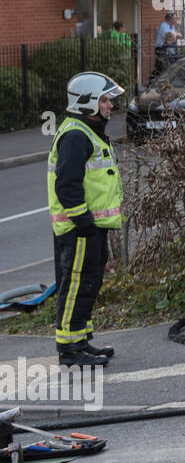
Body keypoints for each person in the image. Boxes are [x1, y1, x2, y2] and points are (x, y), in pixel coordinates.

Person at [47, 72, 125, 367]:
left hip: (91, 228)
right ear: (87, 103)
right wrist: (84, 223)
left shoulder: (88, 132)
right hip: (79, 229)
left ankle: (81, 340)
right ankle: (69, 350)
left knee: (89, 284)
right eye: (104, 100)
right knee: (77, 285)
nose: (109, 106)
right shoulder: (76, 136)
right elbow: (67, 185)